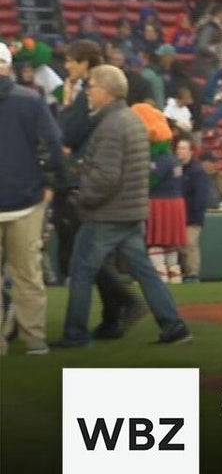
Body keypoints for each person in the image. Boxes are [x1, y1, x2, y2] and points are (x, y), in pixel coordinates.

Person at [52, 65, 191, 348]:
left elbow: (106, 177)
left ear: (106, 91)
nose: (88, 92)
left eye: (91, 86)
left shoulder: (112, 125)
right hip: (131, 210)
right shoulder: (131, 120)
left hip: (107, 213)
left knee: (81, 271)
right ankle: (174, 326)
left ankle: (75, 334)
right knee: (145, 272)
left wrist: (82, 196)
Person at [55, 40, 145, 338]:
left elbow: (67, 135)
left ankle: (125, 303)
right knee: (97, 255)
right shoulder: (95, 94)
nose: (67, 65)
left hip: (83, 181)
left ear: (85, 63)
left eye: (71, 60)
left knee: (81, 256)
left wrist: (66, 104)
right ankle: (112, 316)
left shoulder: (87, 95)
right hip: (92, 179)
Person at [0, 44, 63, 356]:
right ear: (8, 66)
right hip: (26, 201)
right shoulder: (31, 99)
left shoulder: (30, 99)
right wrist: (52, 182)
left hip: (23, 199)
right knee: (28, 276)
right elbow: (51, 144)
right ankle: (34, 339)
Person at [134, 103, 187, 284]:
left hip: (159, 202)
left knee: (156, 240)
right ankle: (174, 273)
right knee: (169, 242)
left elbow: (149, 181)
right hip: (175, 202)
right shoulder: (172, 158)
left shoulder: (161, 159)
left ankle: (160, 274)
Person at [177, 137, 208, 282]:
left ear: (190, 151)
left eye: (183, 148)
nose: (179, 151)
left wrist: (196, 215)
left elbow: (200, 195)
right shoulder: (175, 168)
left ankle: (193, 274)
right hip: (178, 215)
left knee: (190, 244)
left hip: (192, 215)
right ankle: (184, 273)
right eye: (178, 148)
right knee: (181, 247)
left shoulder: (197, 171)